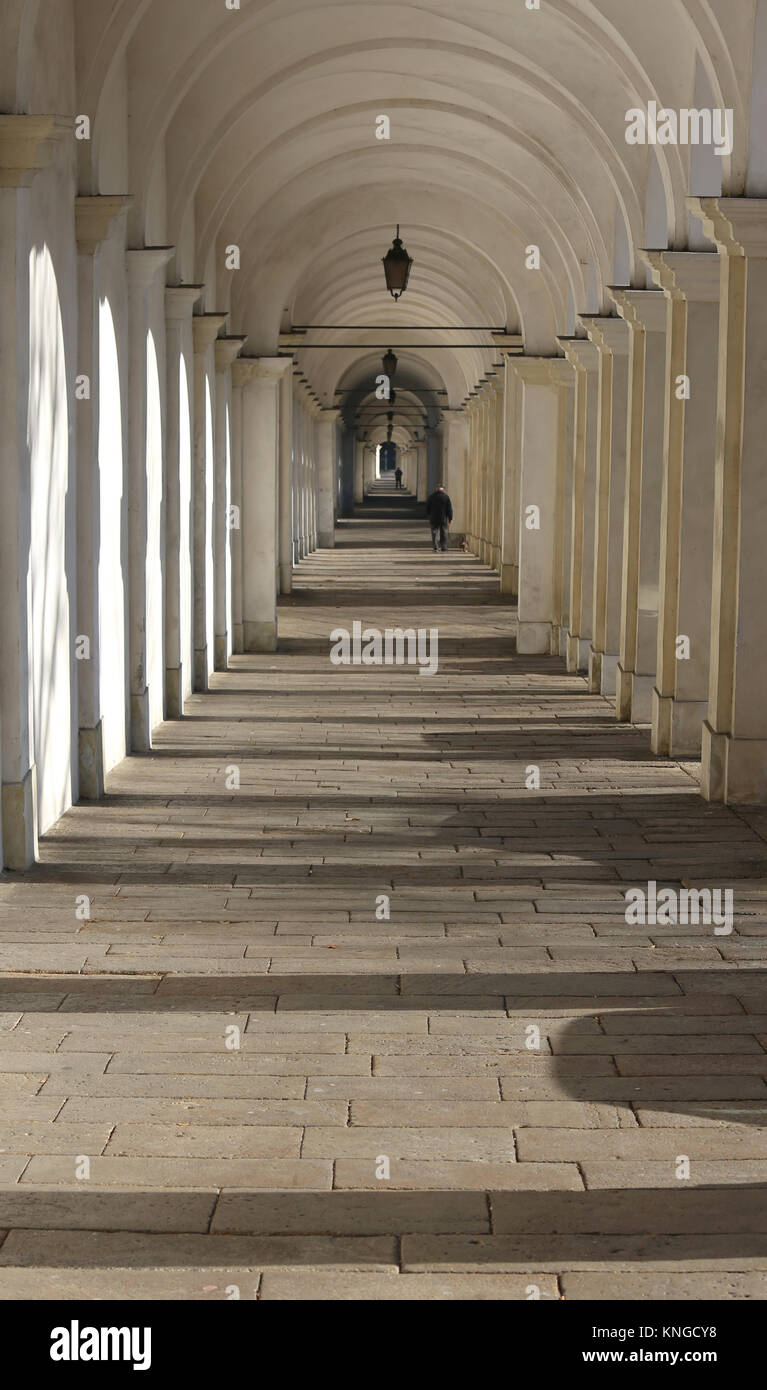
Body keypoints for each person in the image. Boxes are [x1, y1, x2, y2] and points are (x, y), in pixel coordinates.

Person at [426, 483, 453, 551]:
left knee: (434, 532)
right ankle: (443, 547)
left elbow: (427, 507)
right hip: (443, 518)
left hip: (434, 518)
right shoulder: (446, 497)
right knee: (443, 533)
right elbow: (449, 508)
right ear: (443, 489)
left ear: (436, 489)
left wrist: (429, 515)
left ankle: (435, 547)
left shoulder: (431, 497)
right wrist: (450, 518)